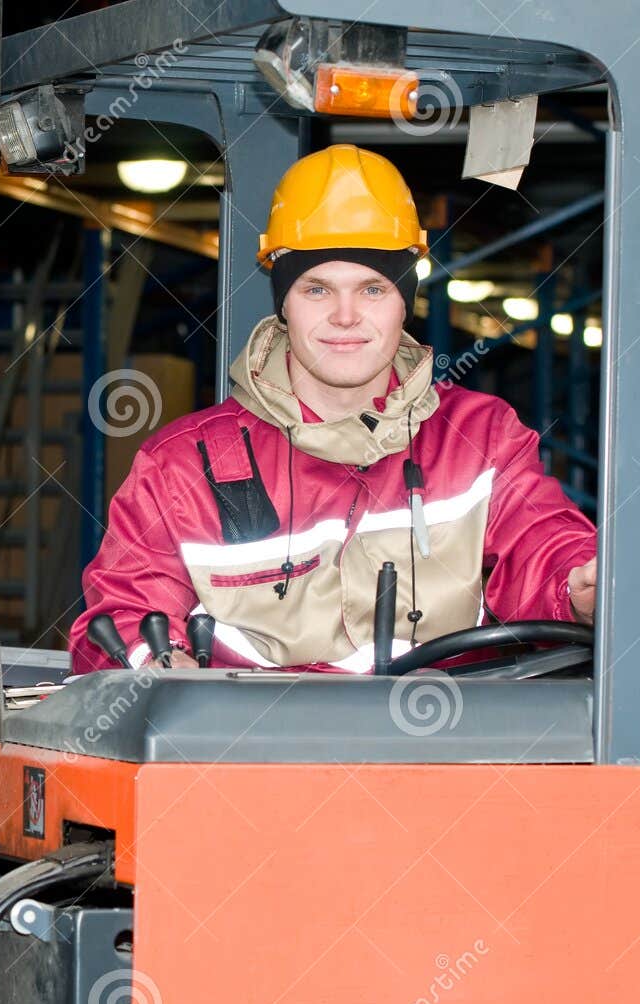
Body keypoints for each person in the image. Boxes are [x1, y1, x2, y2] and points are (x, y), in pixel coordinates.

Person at [69, 144, 597, 673]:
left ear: (404, 301)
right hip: (251, 751)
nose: (346, 316)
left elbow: (543, 544)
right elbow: (123, 613)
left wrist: (578, 584)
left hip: (443, 746)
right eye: (317, 289)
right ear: (284, 302)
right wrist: (156, 667)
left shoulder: (480, 438)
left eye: (372, 288)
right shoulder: (186, 464)